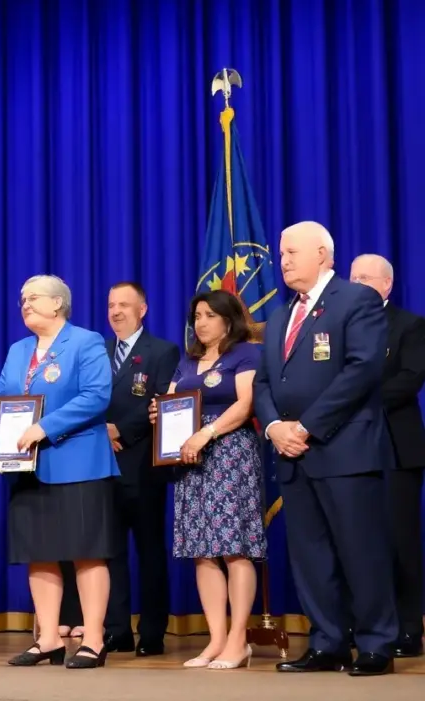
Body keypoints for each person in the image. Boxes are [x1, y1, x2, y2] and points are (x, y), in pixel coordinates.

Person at [254, 221, 397, 676]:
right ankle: (327, 642)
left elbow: (362, 368)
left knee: (361, 550)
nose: (284, 260)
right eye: (281, 253)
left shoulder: (357, 300)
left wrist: (308, 426)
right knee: (311, 556)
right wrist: (276, 426)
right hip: (293, 456)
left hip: (344, 449)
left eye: (292, 251)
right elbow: (262, 383)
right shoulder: (279, 316)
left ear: (323, 253)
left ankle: (376, 643)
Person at [0, 274, 120, 670]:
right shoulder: (18, 349)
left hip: (78, 464)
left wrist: (44, 427)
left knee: (87, 552)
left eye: (33, 298)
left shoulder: (85, 341)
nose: (24, 304)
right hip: (27, 468)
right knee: (38, 554)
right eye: (22, 298)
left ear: (58, 304)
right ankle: (48, 638)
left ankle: (93, 639)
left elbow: (96, 396)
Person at [147, 290, 266, 670]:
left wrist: (207, 432)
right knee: (202, 548)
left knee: (234, 547)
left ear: (228, 320)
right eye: (196, 315)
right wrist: (159, 415)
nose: (200, 322)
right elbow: (170, 402)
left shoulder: (246, 353)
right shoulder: (188, 360)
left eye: (209, 315)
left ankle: (238, 639)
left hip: (229, 453)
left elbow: (246, 404)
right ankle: (216, 639)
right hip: (189, 458)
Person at [349, 253, 425, 658]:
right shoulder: (337, 325)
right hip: (347, 447)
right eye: (353, 277)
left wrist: (353, 401)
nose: (358, 284)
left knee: (400, 541)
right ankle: (360, 624)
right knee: (357, 542)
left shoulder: (409, 325)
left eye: (366, 278)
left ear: (386, 285)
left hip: (395, 445)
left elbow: (410, 380)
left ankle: (409, 627)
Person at [101, 282, 179, 656]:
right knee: (108, 553)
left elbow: (162, 402)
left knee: (149, 552)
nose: (116, 312)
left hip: (143, 467)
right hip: (100, 464)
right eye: (111, 305)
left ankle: (152, 632)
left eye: (124, 305)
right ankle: (116, 630)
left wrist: (122, 430)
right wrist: (101, 430)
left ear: (142, 309)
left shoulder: (163, 351)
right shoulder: (95, 350)